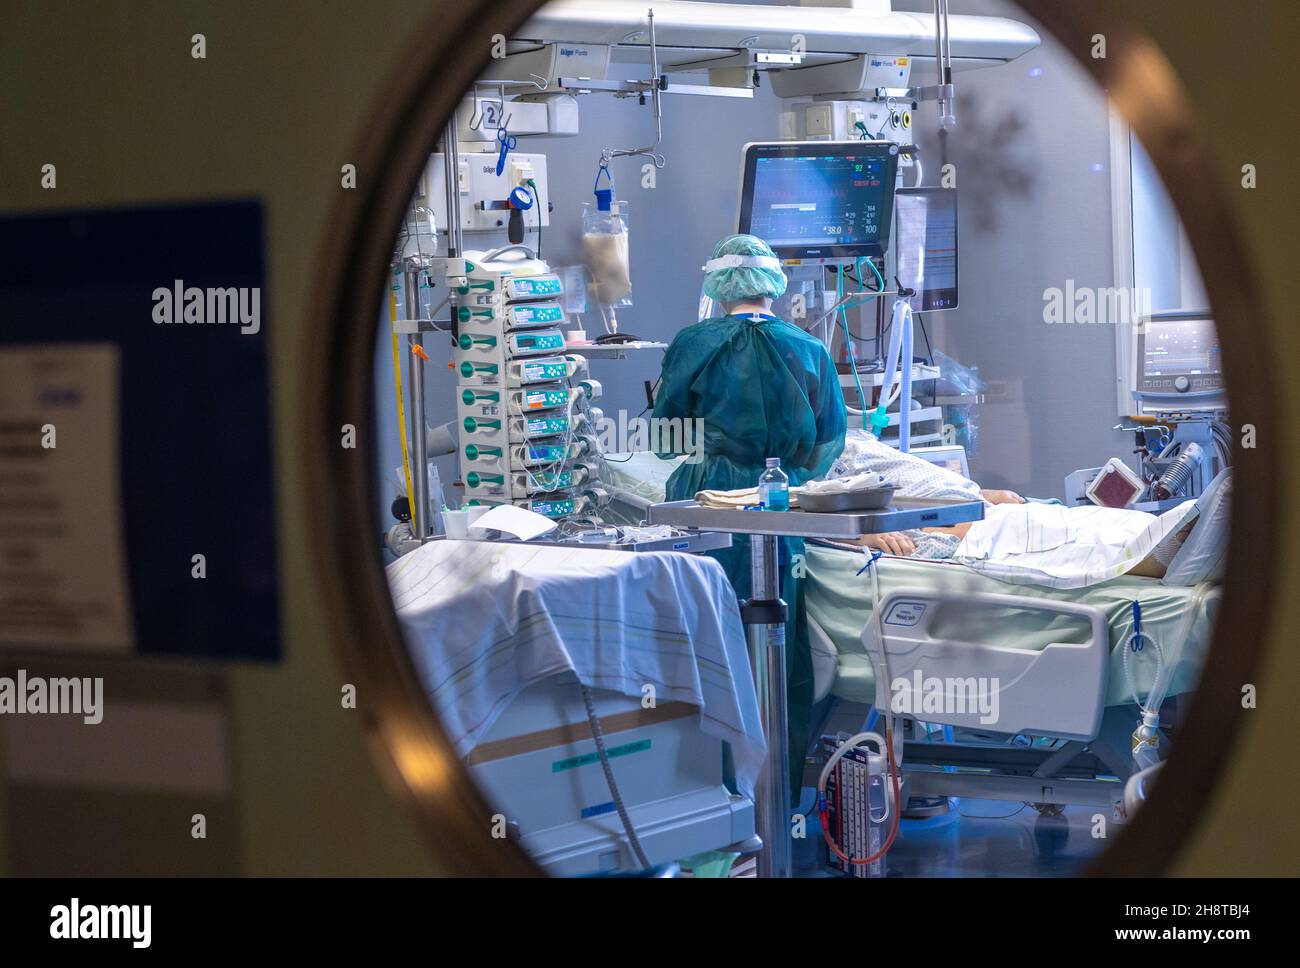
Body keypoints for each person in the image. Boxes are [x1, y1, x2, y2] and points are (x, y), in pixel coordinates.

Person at [653, 233, 847, 796]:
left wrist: (713, 451)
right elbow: (825, 445)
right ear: (774, 286)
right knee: (777, 646)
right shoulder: (807, 349)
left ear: (718, 285)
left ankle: (712, 797)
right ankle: (774, 794)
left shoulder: (694, 344)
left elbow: (665, 439)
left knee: (707, 641)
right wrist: (783, 476)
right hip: (780, 506)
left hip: (706, 501)